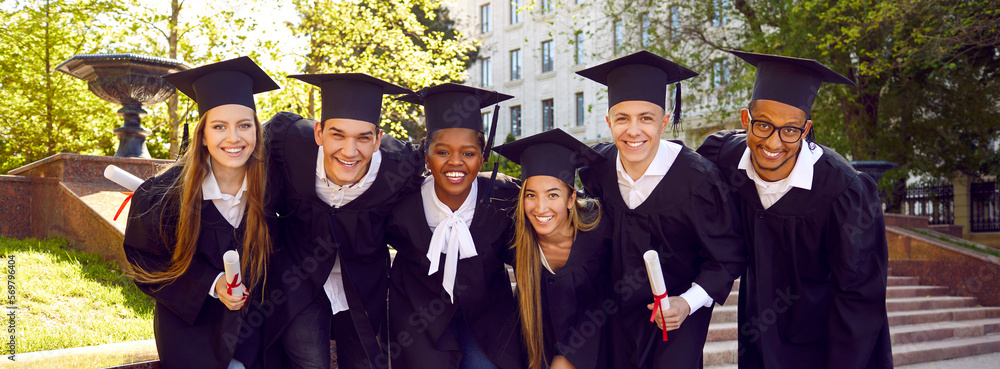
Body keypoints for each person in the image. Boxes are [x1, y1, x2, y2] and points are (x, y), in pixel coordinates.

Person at [696, 51, 893, 369]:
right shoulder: (723, 156)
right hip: (758, 336)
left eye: (790, 130)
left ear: (806, 129)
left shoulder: (843, 190)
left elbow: (859, 296)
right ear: (746, 120)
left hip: (826, 342)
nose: (774, 142)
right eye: (763, 125)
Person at [575, 50, 746, 369]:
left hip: (677, 317)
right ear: (610, 122)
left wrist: (687, 303)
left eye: (646, 118)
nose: (633, 131)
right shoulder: (598, 169)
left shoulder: (698, 180)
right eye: (622, 118)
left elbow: (726, 258)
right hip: (614, 315)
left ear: (665, 121)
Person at [122, 56, 278, 369]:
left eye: (244, 125)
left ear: (257, 132)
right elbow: (145, 262)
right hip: (190, 335)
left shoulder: (273, 191)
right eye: (219, 126)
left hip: (255, 336)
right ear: (203, 135)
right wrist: (214, 283)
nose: (233, 138)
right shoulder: (162, 195)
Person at [260, 73, 423, 369]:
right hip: (300, 277)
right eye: (338, 135)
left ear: (378, 140)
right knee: (311, 361)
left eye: (363, 138)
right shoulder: (289, 143)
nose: (350, 151)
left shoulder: (399, 167)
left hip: (363, 284)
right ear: (319, 132)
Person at [386, 83, 523, 369]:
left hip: (487, 321)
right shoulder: (401, 204)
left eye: (469, 153)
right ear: (426, 154)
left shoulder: (503, 197)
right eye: (443, 152)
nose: (456, 163)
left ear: (483, 155)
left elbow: (530, 254)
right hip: (419, 324)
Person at [492, 128, 612, 369]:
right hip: (541, 352)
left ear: (571, 199)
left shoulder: (601, 232)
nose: (541, 207)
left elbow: (614, 299)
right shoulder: (517, 241)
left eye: (553, 194)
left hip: (602, 348)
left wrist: (569, 358)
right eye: (531, 195)